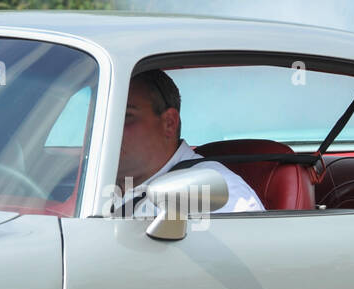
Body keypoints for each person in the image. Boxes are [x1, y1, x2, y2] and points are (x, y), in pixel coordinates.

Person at [111, 69, 263, 217]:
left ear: (169, 123)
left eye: (126, 116)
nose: (107, 128)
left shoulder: (219, 194)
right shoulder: (98, 185)